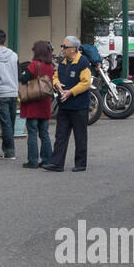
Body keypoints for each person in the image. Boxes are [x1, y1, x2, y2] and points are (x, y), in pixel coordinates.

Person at [46, 35, 91, 172]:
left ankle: (80, 163)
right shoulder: (63, 62)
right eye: (62, 46)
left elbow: (86, 82)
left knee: (80, 136)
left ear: (73, 49)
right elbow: (55, 77)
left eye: (65, 47)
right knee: (60, 135)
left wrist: (71, 92)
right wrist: (57, 84)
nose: (62, 49)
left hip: (79, 106)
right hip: (64, 105)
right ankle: (56, 163)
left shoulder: (83, 62)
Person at [18, 40, 55, 169]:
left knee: (32, 133)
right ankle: (47, 160)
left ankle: (33, 161)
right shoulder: (50, 66)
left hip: (33, 103)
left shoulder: (34, 64)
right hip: (45, 104)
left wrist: (21, 73)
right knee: (44, 133)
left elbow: (23, 79)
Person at [0, 29, 20, 160]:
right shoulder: (14, 55)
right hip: (13, 92)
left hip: (0, 93)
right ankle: (6, 150)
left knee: (5, 123)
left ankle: (10, 152)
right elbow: (18, 73)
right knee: (10, 122)